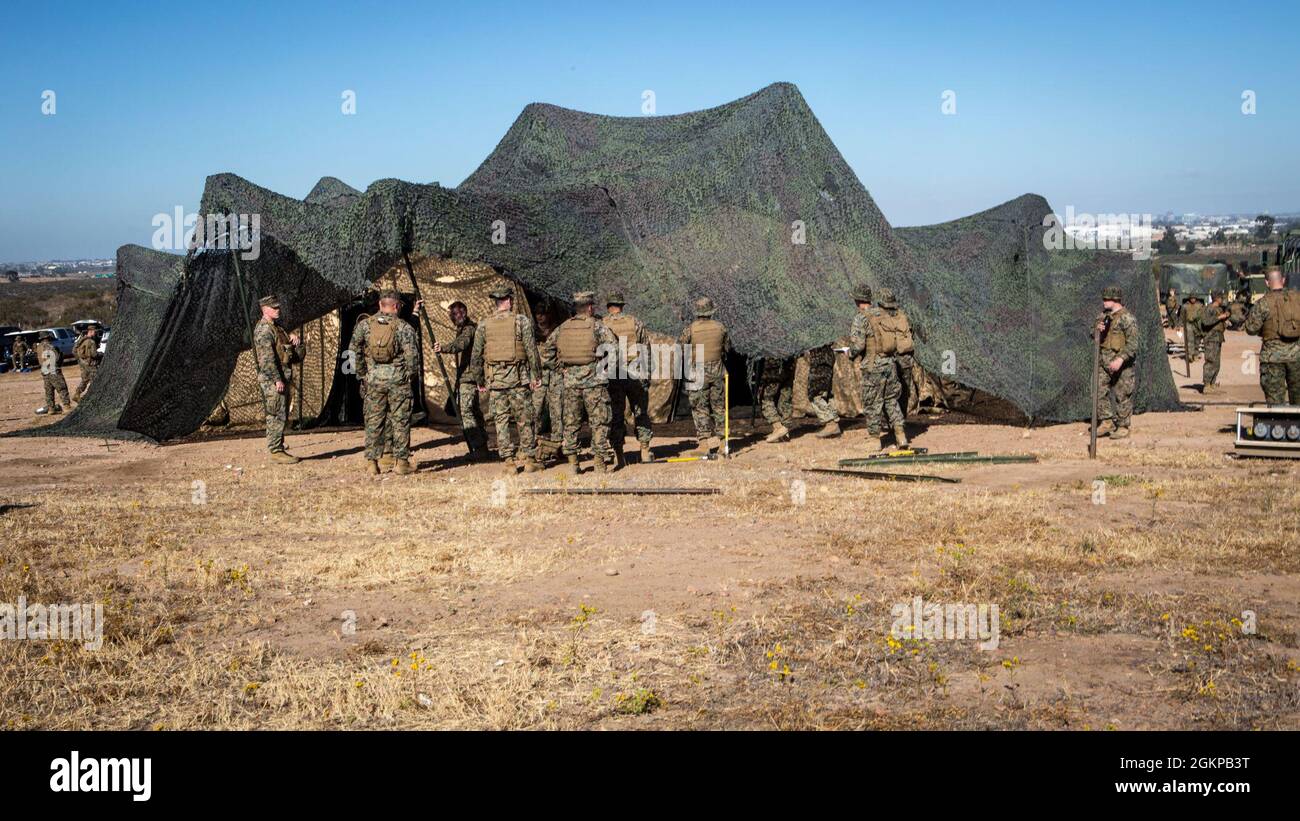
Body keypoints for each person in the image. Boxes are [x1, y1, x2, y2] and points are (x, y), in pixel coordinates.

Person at [469, 286, 543, 472]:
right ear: (509, 301)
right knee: (524, 419)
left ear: (496, 302)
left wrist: (480, 381)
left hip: (495, 380)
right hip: (518, 379)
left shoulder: (484, 324)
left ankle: (508, 462)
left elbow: (476, 357)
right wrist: (537, 375)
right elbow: (531, 351)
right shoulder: (521, 321)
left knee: (500, 420)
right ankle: (530, 460)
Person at [543, 291, 618, 474]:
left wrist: (561, 370)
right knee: (599, 422)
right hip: (594, 383)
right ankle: (599, 462)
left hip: (570, 383)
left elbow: (547, 352)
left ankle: (573, 464)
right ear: (590, 308)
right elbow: (614, 348)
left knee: (571, 423)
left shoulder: (562, 328)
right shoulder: (596, 326)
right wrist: (605, 371)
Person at [349, 291, 419, 474]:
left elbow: (353, 352)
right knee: (400, 421)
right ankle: (401, 463)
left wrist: (363, 375)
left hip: (373, 380)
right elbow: (413, 358)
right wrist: (408, 376)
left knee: (374, 421)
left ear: (380, 305)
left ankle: (372, 463)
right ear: (396, 306)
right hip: (398, 380)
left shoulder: (364, 325)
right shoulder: (404, 327)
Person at [850, 285, 909, 450]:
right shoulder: (883, 314)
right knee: (891, 401)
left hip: (873, 366)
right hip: (890, 364)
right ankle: (901, 437)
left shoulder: (861, 318)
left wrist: (850, 353)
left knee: (872, 403)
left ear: (857, 300)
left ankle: (874, 440)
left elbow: (859, 345)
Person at [601, 292, 654, 465]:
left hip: (614, 374)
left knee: (616, 414)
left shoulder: (602, 324)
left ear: (609, 306)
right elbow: (646, 349)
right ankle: (645, 451)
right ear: (622, 306)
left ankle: (619, 455)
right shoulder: (635, 322)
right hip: (635, 371)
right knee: (641, 412)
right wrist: (647, 375)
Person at [433, 300, 489, 460]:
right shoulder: (466, 328)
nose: (455, 317)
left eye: (457, 313)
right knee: (474, 411)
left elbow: (461, 344)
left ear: (464, 312)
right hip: (468, 376)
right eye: (453, 314)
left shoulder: (469, 329)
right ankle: (482, 447)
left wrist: (443, 348)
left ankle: (478, 447)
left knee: (467, 412)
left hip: (469, 377)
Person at [253, 295, 304, 464]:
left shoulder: (276, 328)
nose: (277, 310)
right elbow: (266, 360)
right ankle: (276, 451)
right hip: (272, 379)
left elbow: (283, 350)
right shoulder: (264, 330)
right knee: (276, 415)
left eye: (278, 307)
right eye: (274, 308)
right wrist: (277, 380)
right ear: (264, 309)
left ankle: (278, 446)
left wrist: (293, 339)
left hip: (282, 375)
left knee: (281, 413)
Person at [678, 296, 729, 455]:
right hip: (717, 372)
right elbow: (727, 349)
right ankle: (723, 443)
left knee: (700, 408)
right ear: (711, 311)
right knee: (719, 407)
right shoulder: (721, 327)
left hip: (697, 374)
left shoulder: (690, 329)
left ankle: (704, 445)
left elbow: (681, 349)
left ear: (697, 312)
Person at [1244, 268, 1300, 405]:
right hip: (1297, 355)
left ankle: (1278, 424)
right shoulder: (1297, 299)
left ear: (1267, 282)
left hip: (1272, 358)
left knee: (1275, 403)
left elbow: (1250, 328)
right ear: (1284, 280)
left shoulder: (1263, 303)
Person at [1093, 285, 1139, 438]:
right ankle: (1107, 421)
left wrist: (1120, 359)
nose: (1104, 302)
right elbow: (1093, 334)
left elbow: (1133, 343)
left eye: (1106, 299)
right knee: (1097, 389)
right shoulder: (1103, 316)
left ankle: (1123, 426)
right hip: (1104, 361)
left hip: (1122, 364)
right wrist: (1096, 330)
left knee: (1122, 395)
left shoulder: (1127, 318)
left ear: (1115, 300)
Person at [756, 356, 795, 443]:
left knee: (765, 398)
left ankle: (778, 427)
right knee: (785, 397)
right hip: (789, 363)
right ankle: (785, 429)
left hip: (773, 366)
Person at [805, 344, 841, 437]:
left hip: (820, 359)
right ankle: (833, 422)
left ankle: (830, 423)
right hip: (825, 357)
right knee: (826, 393)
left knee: (815, 394)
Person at [1199, 291, 1230, 394]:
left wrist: (1226, 318)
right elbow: (1205, 322)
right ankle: (1207, 385)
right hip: (1211, 338)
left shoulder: (1219, 309)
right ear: (1217, 299)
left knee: (1217, 363)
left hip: (1218, 338)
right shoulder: (1209, 308)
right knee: (1210, 361)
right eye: (1221, 298)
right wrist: (1219, 318)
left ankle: (1212, 384)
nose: (1223, 300)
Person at [35, 331, 71, 414]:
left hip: (44, 371)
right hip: (53, 370)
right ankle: (66, 406)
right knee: (62, 388)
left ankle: (51, 408)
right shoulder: (50, 346)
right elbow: (57, 359)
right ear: (48, 338)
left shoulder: (39, 347)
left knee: (49, 391)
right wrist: (60, 354)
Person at [71, 323, 102, 403]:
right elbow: (94, 354)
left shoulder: (82, 340)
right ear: (91, 331)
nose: (95, 333)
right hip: (91, 364)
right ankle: (90, 397)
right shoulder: (91, 341)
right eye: (95, 331)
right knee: (95, 381)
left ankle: (77, 394)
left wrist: (81, 361)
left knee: (85, 380)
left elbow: (74, 351)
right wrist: (101, 354)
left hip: (84, 364)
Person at [1180, 295, 1203, 371]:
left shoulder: (1199, 305)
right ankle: (1190, 355)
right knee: (1190, 340)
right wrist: (1179, 325)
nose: (1193, 299)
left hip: (1197, 324)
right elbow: (1181, 316)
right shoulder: (1185, 306)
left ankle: (1195, 354)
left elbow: (1203, 315)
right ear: (1189, 298)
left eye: (1194, 298)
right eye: (1191, 298)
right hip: (1188, 324)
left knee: (1197, 340)